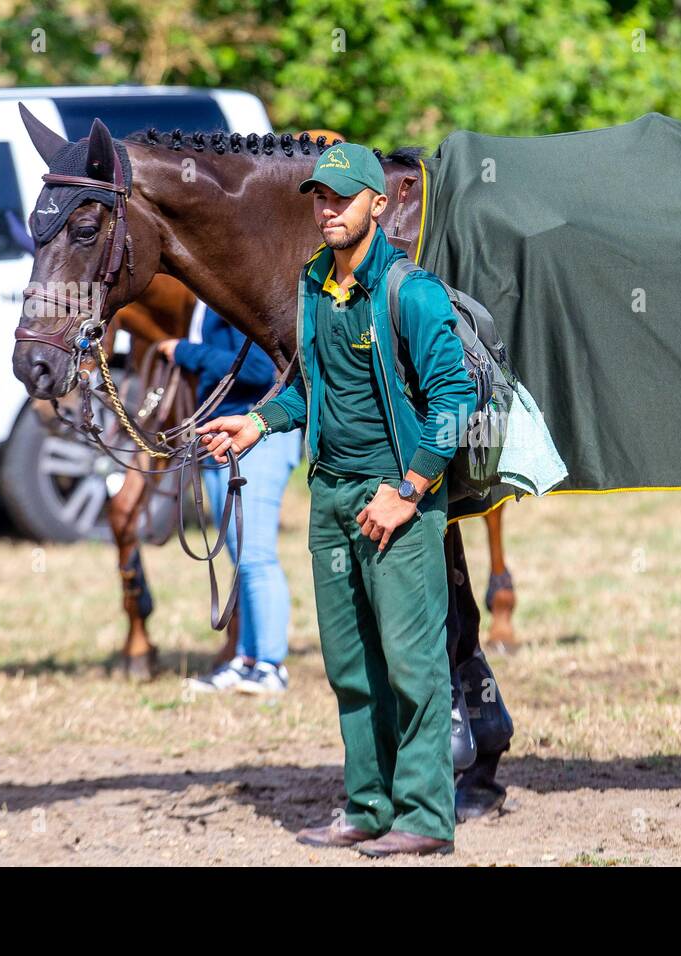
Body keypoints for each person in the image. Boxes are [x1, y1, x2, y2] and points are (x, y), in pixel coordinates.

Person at [198, 142, 478, 857]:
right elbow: (309, 385)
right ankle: (367, 805)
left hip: (396, 499)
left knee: (412, 667)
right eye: (318, 198)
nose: (326, 210)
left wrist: (409, 490)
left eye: (341, 198)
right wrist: (258, 421)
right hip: (329, 497)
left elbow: (455, 399)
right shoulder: (313, 284)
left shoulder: (411, 292)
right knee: (350, 667)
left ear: (377, 206)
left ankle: (423, 818)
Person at [163, 306, 302, 697]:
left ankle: (271, 666)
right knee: (241, 557)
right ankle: (246, 659)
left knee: (256, 556)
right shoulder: (205, 302)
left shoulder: (231, 298)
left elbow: (259, 370)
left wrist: (185, 352)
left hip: (254, 435)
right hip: (222, 440)